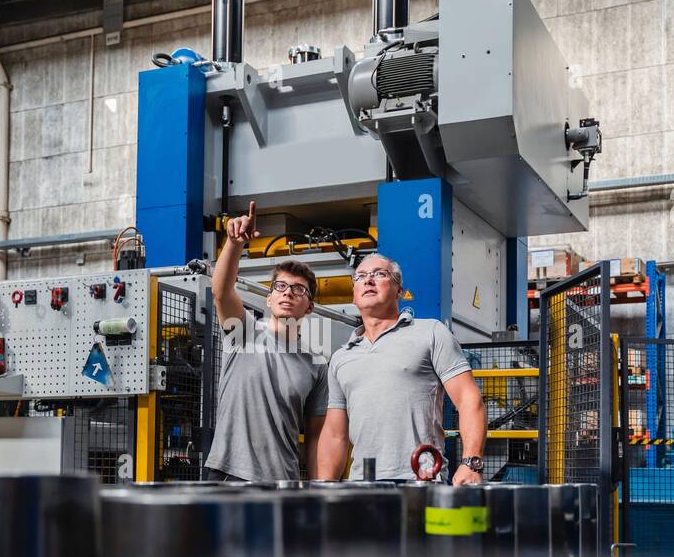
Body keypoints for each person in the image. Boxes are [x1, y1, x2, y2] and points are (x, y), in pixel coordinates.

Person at [315, 254, 486, 484]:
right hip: (363, 483)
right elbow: (335, 435)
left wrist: (471, 463)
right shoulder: (341, 357)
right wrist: (324, 490)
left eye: (379, 274)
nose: (368, 280)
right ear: (354, 295)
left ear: (398, 290)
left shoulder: (430, 333)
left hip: (421, 479)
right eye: (361, 277)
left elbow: (468, 398)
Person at [205, 201, 328, 483]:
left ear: (309, 306)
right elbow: (221, 291)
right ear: (269, 298)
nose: (288, 293)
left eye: (299, 290)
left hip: (283, 481)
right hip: (229, 474)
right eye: (281, 287)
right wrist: (234, 243)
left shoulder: (317, 364)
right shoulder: (244, 332)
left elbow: (316, 437)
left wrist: (320, 490)